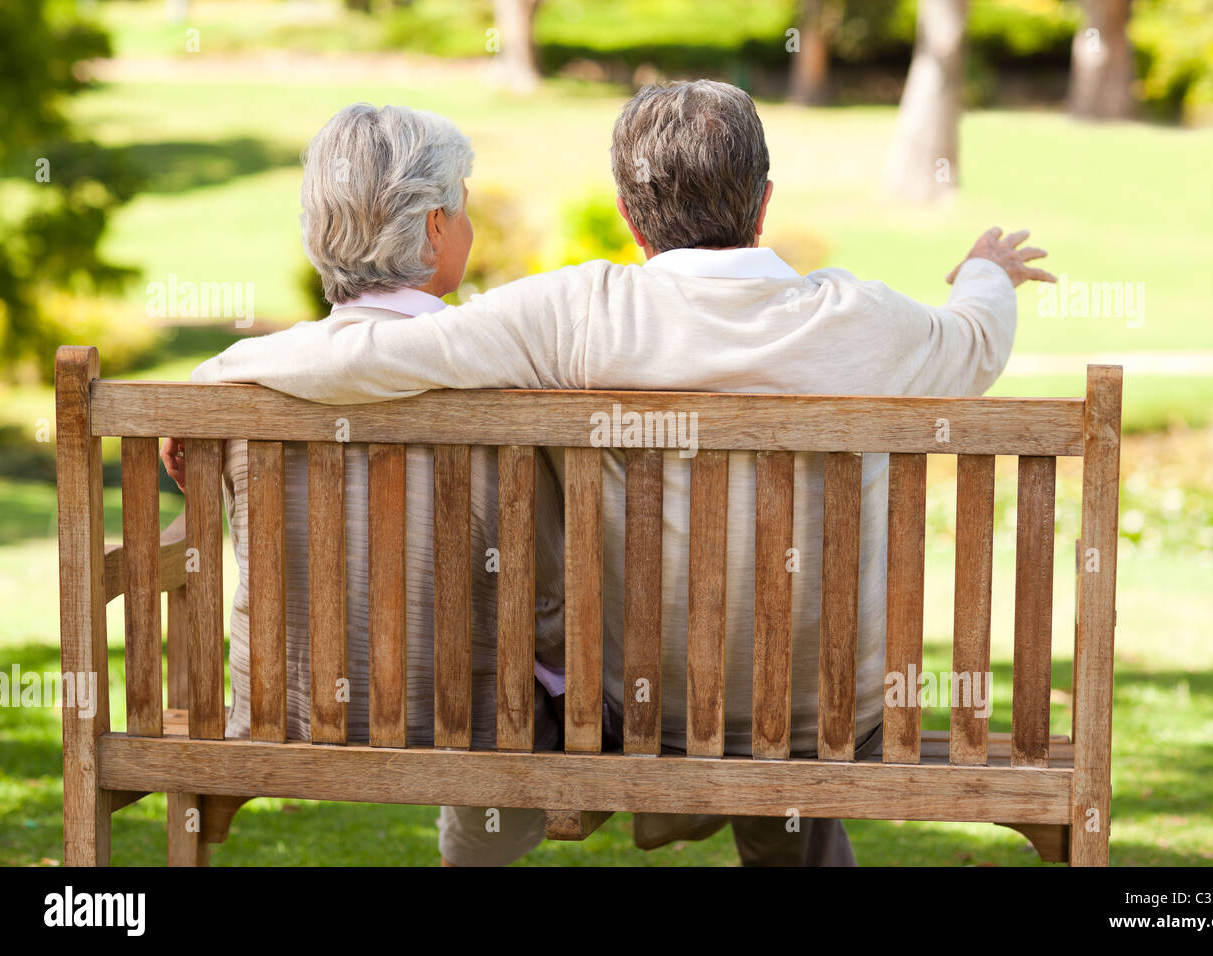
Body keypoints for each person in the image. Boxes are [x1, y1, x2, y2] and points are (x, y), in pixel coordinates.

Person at [189, 80, 1056, 866]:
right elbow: (976, 340)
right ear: (762, 202)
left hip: (641, 713)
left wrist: (221, 376)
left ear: (630, 215)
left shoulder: (577, 312)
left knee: (697, 662)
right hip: (835, 720)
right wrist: (986, 270)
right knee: (780, 674)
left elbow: (387, 347)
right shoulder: (865, 323)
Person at [162, 103, 569, 867]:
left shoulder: (249, 378)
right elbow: (549, 589)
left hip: (277, 715)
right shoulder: (499, 371)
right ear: (437, 227)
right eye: (467, 208)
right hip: (479, 721)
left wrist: (202, 388)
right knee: (519, 670)